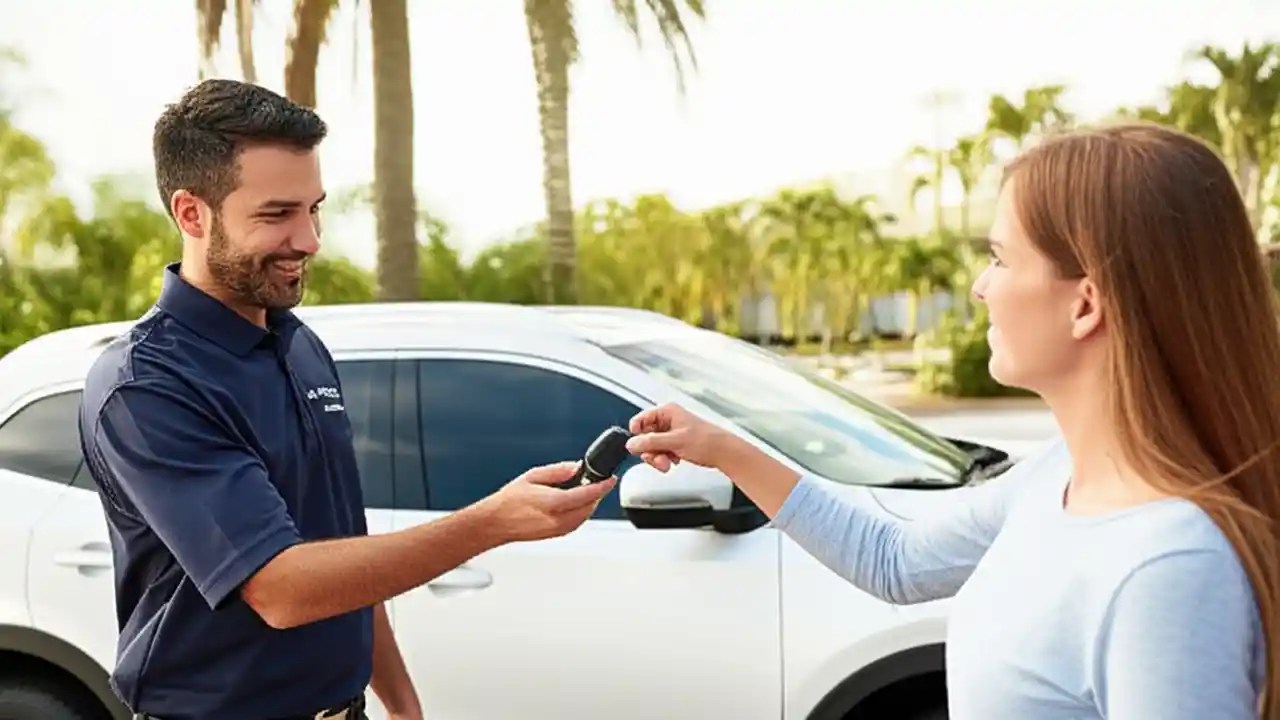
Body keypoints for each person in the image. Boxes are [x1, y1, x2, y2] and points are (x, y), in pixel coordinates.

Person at [626, 122, 1278, 719]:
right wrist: (724, 447)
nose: (979, 287)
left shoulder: (1168, 569)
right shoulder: (1058, 479)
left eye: (999, 258)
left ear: (1085, 305)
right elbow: (894, 562)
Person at [77, 79, 615, 720]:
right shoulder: (146, 386)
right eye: (277, 214)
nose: (308, 239)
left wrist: (403, 706)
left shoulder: (301, 347)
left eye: (314, 209)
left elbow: (341, 544)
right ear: (192, 214)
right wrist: (492, 522)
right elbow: (282, 588)